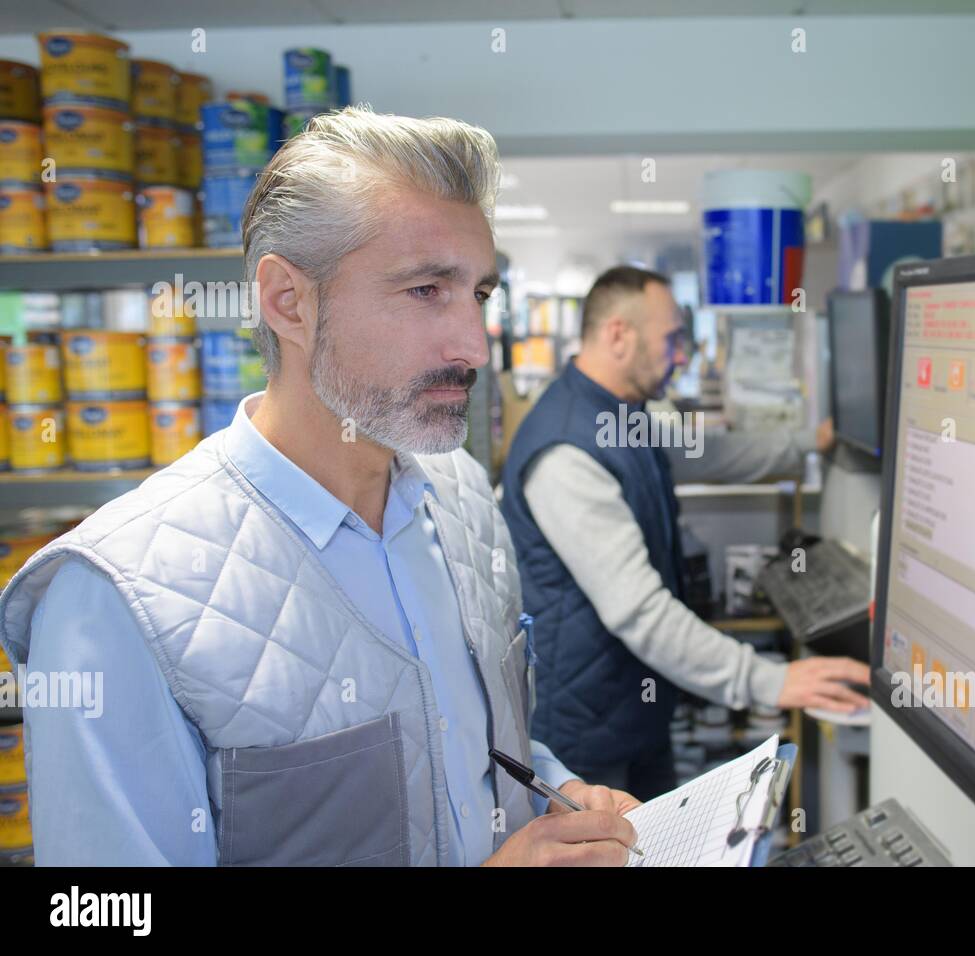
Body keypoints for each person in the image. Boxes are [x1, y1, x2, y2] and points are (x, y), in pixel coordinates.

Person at [0, 108, 638, 867]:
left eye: (480, 295)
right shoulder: (116, 595)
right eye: (426, 290)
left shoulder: (462, 496)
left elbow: (477, 752)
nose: (473, 344)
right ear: (288, 303)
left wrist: (564, 801)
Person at [500, 266, 873, 798]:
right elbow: (641, 612)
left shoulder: (620, 417)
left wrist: (807, 442)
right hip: (581, 738)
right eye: (672, 338)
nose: (682, 356)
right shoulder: (566, 450)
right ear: (618, 336)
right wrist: (770, 681)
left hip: (634, 711)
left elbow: (707, 453)